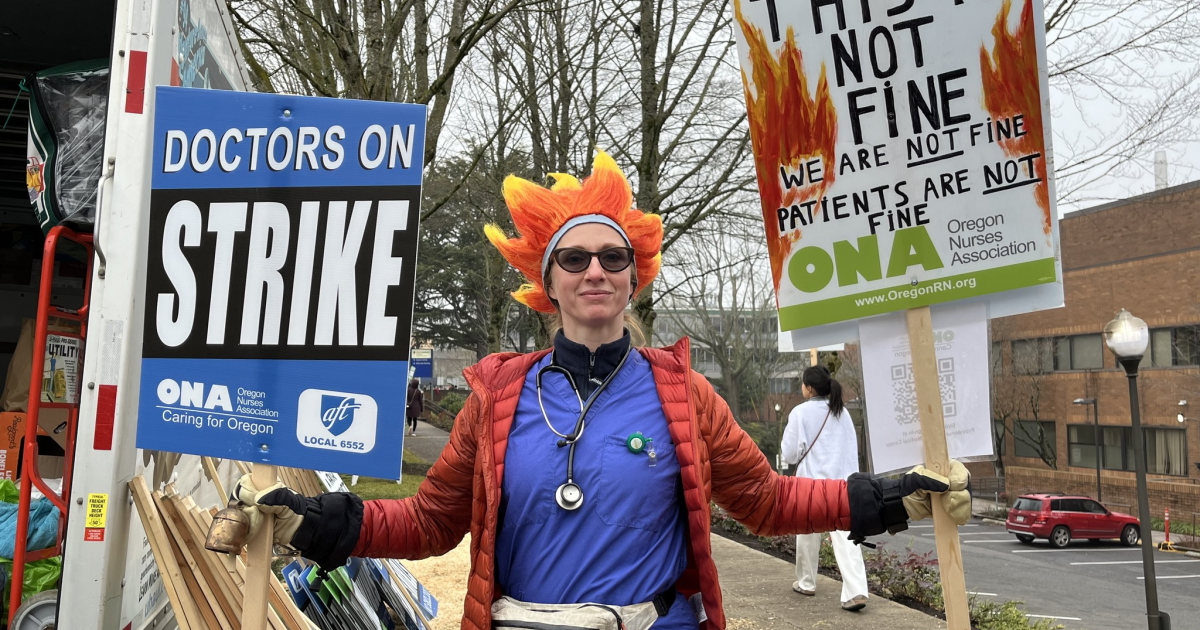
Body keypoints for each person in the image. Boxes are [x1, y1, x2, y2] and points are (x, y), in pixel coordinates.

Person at [231, 151, 971, 630]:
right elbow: (431, 521)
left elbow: (768, 500)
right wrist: (322, 526)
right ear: (547, 281)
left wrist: (890, 499)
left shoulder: (683, 393)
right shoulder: (497, 394)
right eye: (575, 257)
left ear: (632, 276)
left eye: (613, 256)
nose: (595, 269)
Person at [780, 366, 869, 611]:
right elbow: (852, 450)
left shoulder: (800, 412)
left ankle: (807, 582)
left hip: (810, 487)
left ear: (808, 388)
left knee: (806, 532)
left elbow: (788, 454)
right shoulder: (842, 412)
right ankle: (857, 591)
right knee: (846, 539)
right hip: (841, 486)